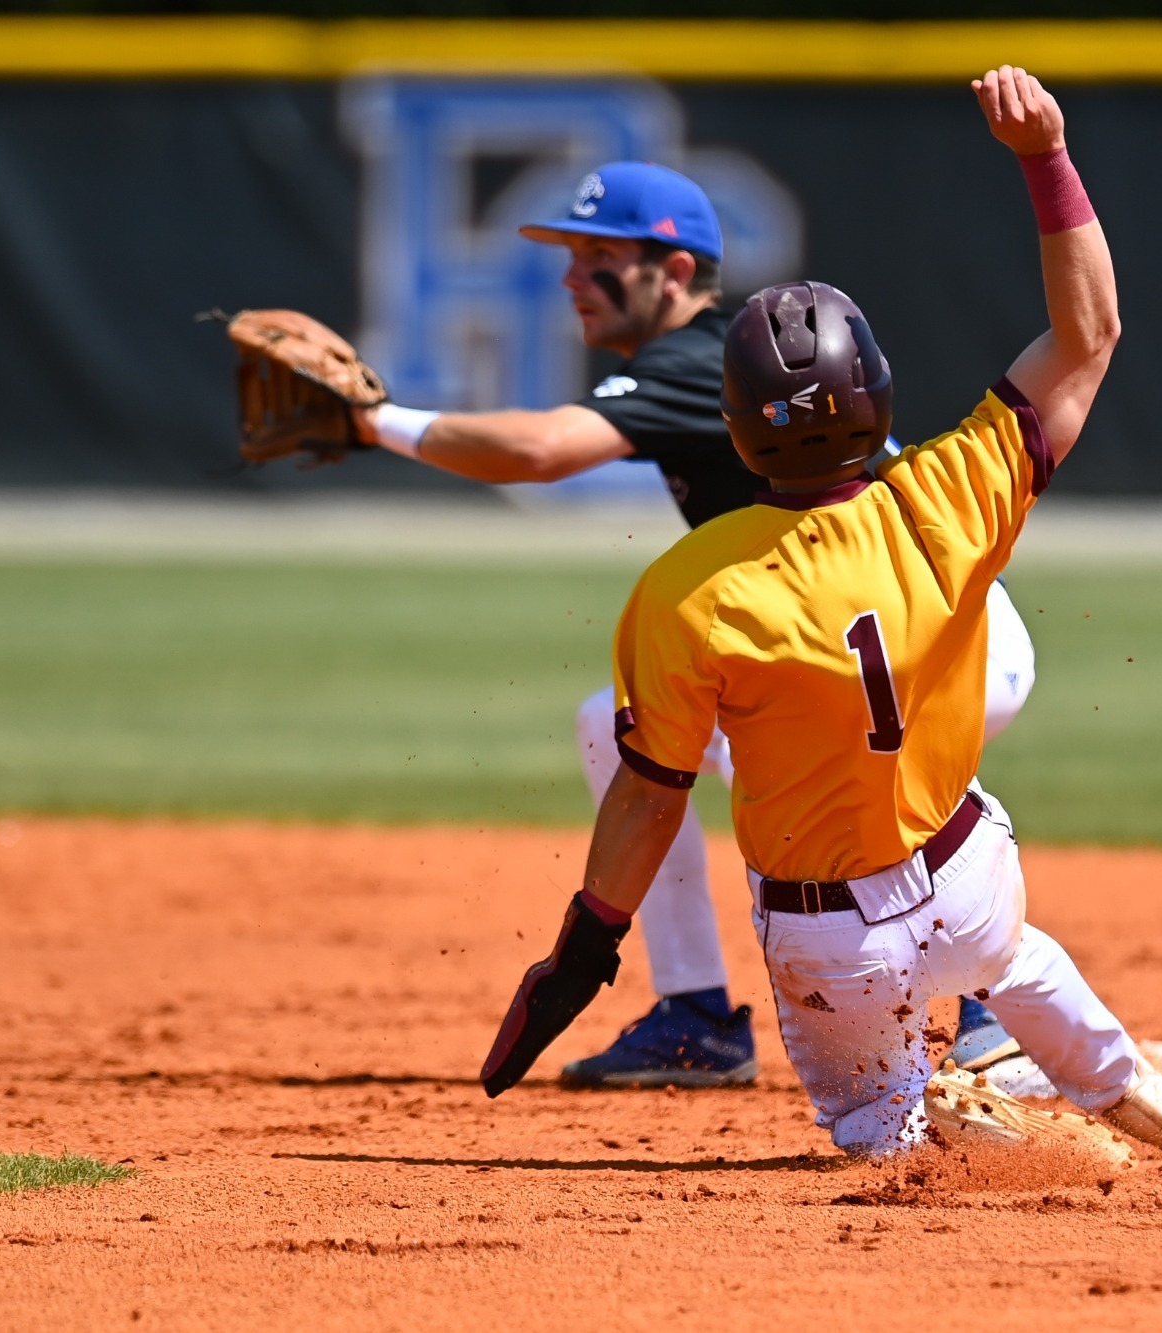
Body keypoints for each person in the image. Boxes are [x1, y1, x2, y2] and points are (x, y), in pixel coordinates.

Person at [478, 65, 1162, 1160]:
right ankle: (1115, 1081)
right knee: (1010, 951)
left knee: (880, 1135)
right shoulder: (947, 492)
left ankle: (991, 1135)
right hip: (971, 883)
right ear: (877, 397)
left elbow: (651, 801)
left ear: (733, 429)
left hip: (831, 943)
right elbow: (1088, 333)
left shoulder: (689, 587)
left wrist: (583, 951)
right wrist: (1045, 156)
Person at [353, 159, 1032, 1085]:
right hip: (891, 627)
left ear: (673, 272)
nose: (571, 278)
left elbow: (542, 450)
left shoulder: (696, 359)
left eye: (598, 258)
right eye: (571, 255)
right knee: (616, 726)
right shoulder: (721, 354)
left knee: (825, 768)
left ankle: (984, 1000)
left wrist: (375, 421)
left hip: (942, 635)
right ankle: (697, 1015)